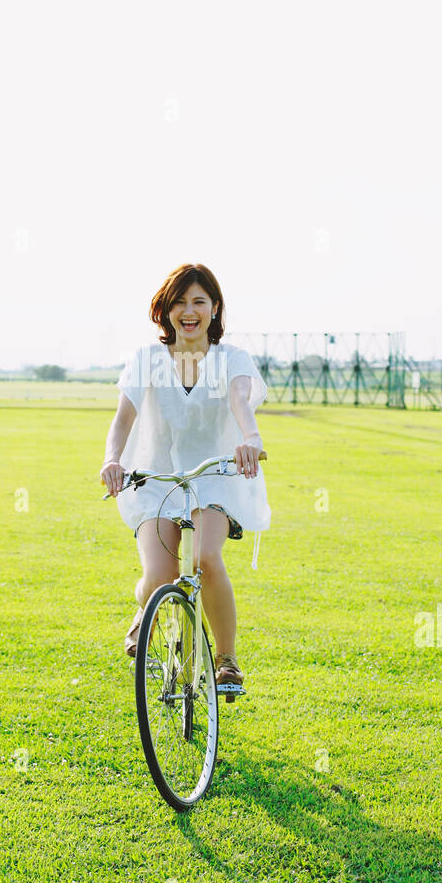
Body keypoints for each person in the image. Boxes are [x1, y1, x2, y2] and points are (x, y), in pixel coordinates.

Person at [99, 263, 270, 688]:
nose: (188, 310)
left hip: (215, 476)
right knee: (158, 575)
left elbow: (240, 401)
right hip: (155, 477)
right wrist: (112, 459)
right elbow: (123, 419)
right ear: (165, 310)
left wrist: (251, 438)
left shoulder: (233, 359)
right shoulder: (146, 359)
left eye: (198, 301)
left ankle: (226, 659)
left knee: (204, 560)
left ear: (215, 309)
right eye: (179, 302)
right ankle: (146, 611)